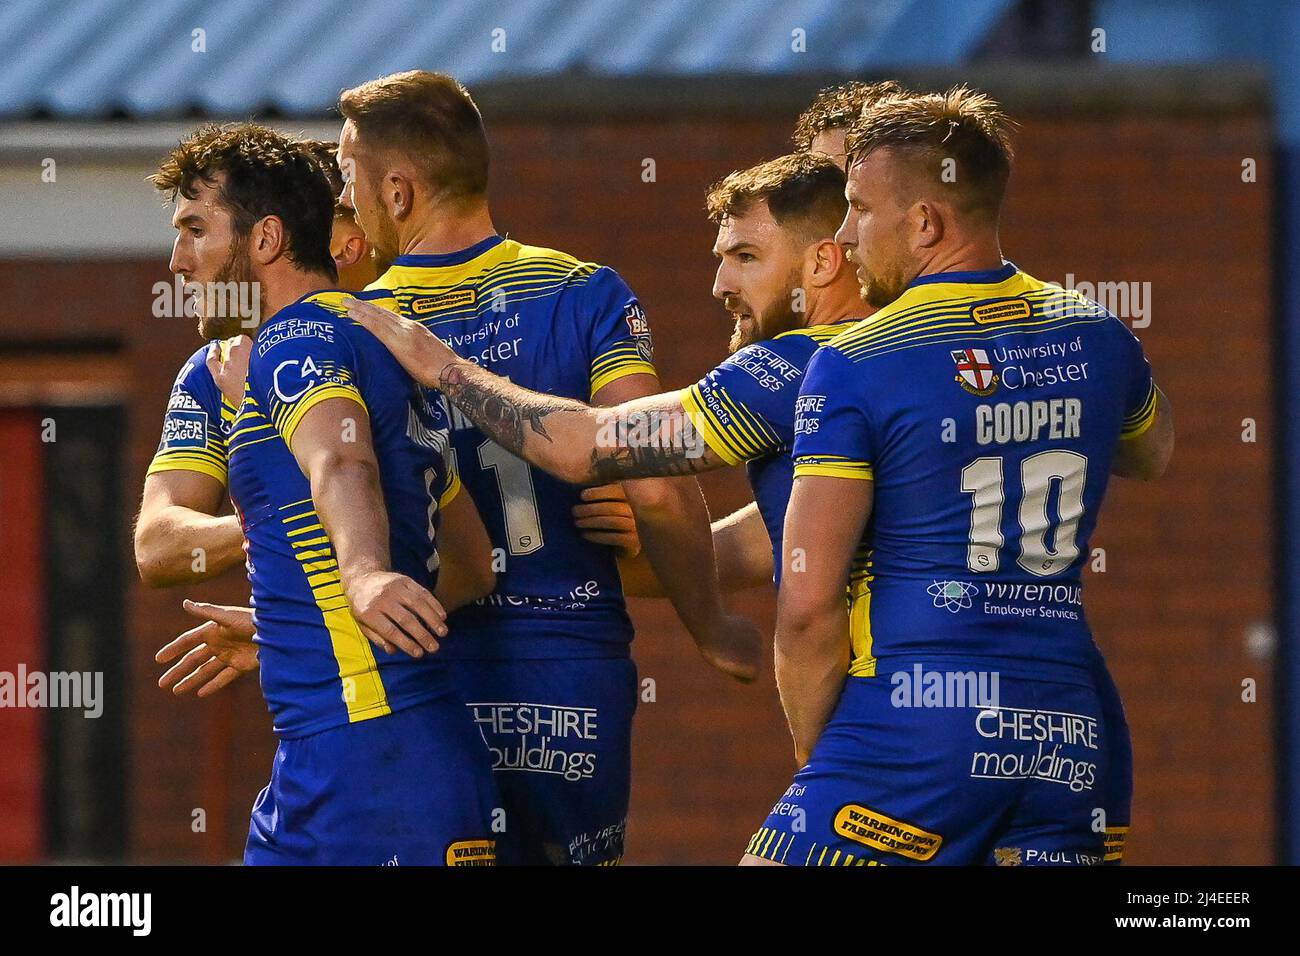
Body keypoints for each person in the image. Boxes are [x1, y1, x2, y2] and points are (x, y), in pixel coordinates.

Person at [338, 70, 760, 865]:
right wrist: (713, 628)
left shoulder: (357, 330)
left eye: (348, 175)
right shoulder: (586, 291)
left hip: (425, 674)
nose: (346, 200)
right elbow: (659, 486)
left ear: (396, 191)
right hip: (571, 677)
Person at [745, 87, 1173, 866]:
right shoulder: (1099, 333)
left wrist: (832, 764)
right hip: (1072, 735)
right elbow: (1153, 451)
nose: (843, 233)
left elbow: (807, 610)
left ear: (924, 223)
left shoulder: (855, 360)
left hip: (916, 727)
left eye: (856, 208)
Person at [150, 122, 501, 864]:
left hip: (379, 763)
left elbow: (341, 465)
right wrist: (306, 610)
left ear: (267, 239)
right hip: (331, 762)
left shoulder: (292, 339)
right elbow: (470, 563)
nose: (178, 260)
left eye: (193, 230)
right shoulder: (380, 345)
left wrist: (363, 574)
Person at [346, 151, 868, 598]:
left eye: (746, 257)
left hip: (886, 689)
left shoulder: (803, 362)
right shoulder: (911, 346)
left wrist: (447, 369)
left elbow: (585, 445)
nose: (720, 284)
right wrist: (633, 556)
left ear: (822, 263)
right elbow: (751, 548)